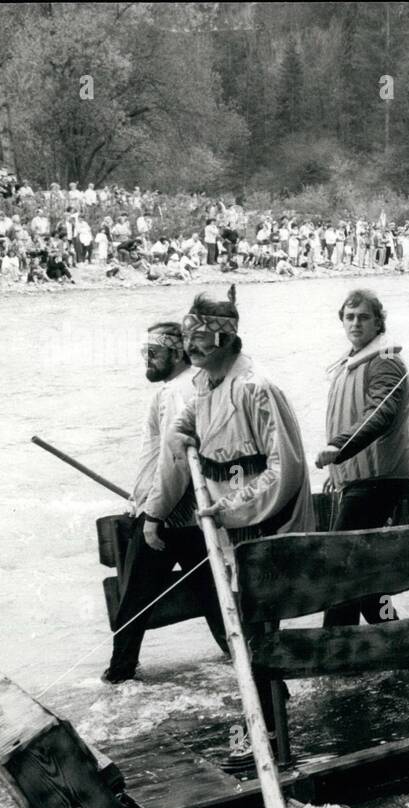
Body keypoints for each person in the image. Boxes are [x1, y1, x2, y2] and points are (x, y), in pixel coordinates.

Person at [159, 287, 314, 750]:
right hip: (228, 527)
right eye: (189, 338)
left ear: (226, 339)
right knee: (243, 634)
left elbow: (283, 469)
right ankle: (267, 717)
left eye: (202, 338)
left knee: (255, 632)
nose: (192, 348)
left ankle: (269, 729)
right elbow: (187, 421)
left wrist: (229, 508)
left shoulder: (255, 387)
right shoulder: (206, 385)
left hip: (263, 526)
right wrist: (182, 434)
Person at [102, 322, 227, 683]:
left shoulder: (175, 392)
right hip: (193, 517)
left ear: (177, 353)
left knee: (132, 603)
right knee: (213, 596)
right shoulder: (194, 384)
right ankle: (248, 661)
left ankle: (118, 678)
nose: (148, 360)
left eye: (154, 353)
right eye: (145, 352)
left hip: (168, 516)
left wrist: (153, 512)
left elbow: (174, 460)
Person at [317, 290, 409, 626]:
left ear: (378, 322)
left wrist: (340, 448)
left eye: (364, 317)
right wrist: (338, 468)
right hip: (361, 479)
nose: (355, 323)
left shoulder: (385, 360)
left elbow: (381, 414)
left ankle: (336, 654)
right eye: (350, 316)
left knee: (341, 567)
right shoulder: (354, 360)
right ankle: (396, 637)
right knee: (368, 579)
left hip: (380, 481)